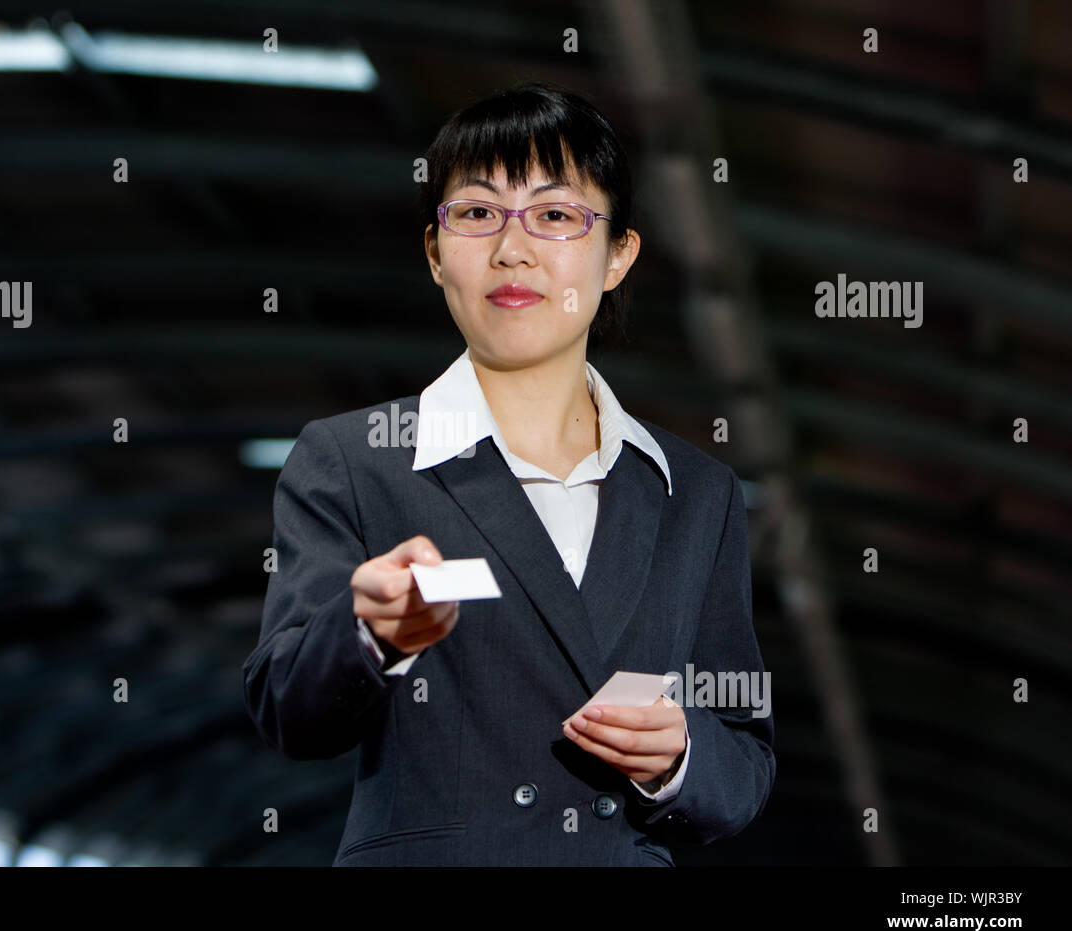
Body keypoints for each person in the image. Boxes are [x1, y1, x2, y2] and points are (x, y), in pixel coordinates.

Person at [243, 82, 775, 865]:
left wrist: (680, 756)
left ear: (618, 255)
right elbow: (288, 708)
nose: (511, 249)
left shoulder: (694, 494)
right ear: (434, 253)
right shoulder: (357, 460)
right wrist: (366, 635)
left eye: (556, 215)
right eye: (477, 213)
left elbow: (745, 761)